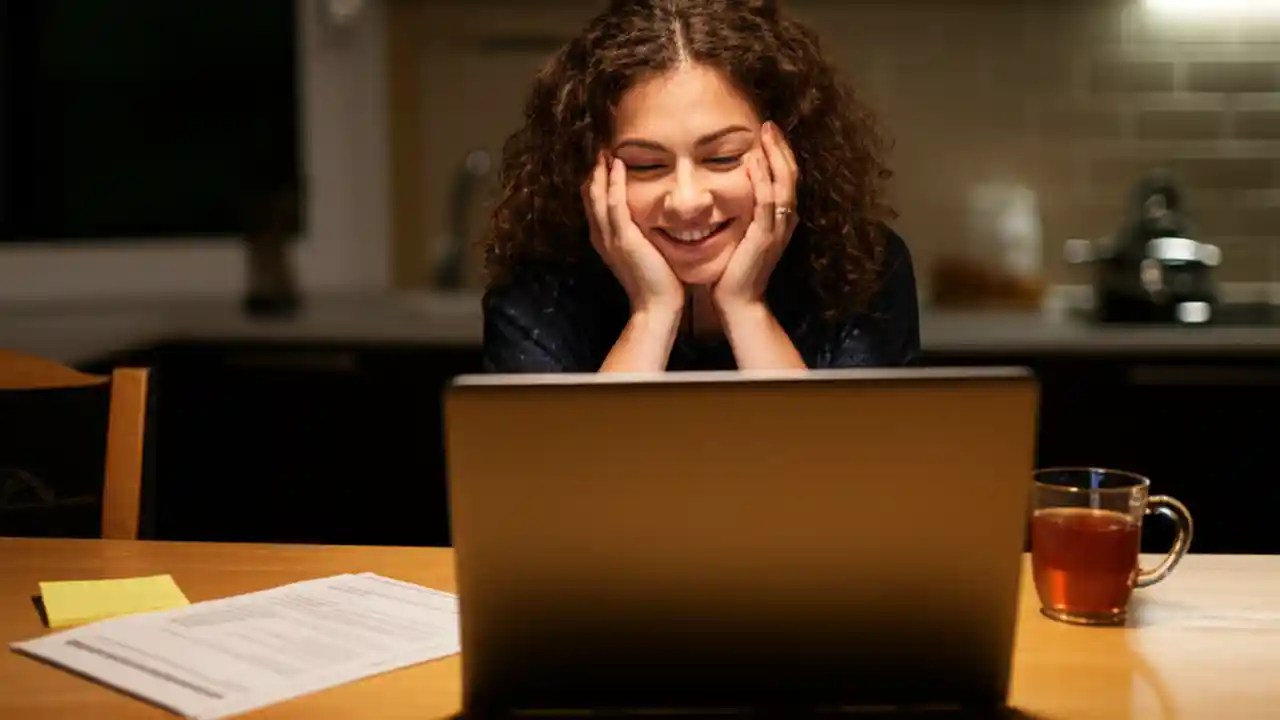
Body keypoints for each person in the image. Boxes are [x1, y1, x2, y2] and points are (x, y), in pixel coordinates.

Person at [481, 0, 919, 372]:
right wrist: (652, 314)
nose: (687, 201)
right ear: (589, 170)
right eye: (646, 165)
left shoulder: (864, 271)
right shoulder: (539, 294)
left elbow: (841, 471)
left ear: (791, 148)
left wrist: (746, 309)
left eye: (723, 157)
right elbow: (575, 474)